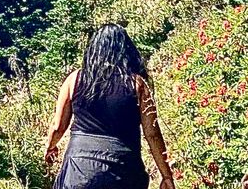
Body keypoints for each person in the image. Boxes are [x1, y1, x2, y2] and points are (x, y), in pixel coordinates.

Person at [43, 24, 175, 189]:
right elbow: (152, 134)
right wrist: (166, 175)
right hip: (123, 171)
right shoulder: (137, 84)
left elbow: (57, 127)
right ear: (126, 51)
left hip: (78, 171)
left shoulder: (74, 79)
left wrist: (50, 147)